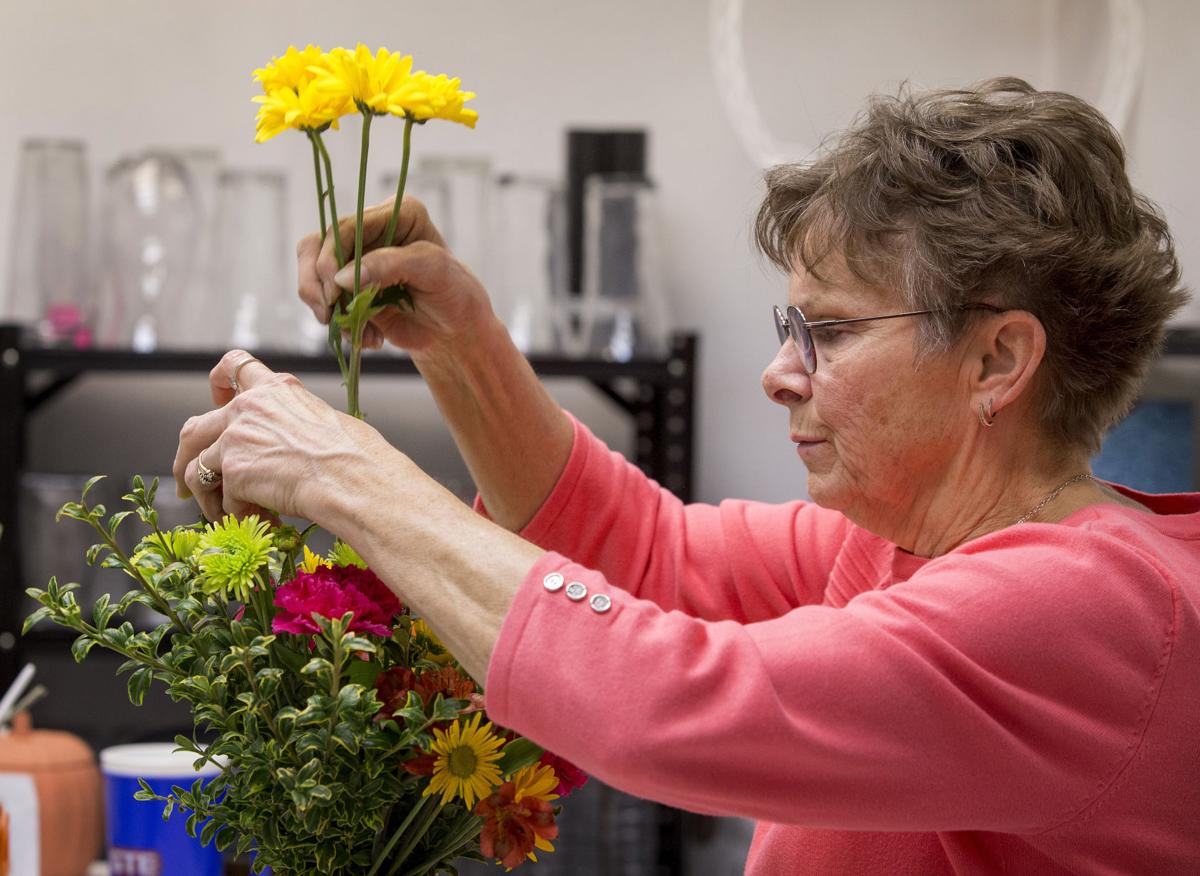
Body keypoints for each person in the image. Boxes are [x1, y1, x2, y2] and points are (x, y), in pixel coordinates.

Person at [172, 77, 1199, 873]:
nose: (778, 373)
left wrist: (347, 475)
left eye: (829, 332)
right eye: (790, 328)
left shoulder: (1083, 606)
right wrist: (462, 345)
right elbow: (651, 554)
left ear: (998, 362)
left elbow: (664, 701)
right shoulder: (899, 543)